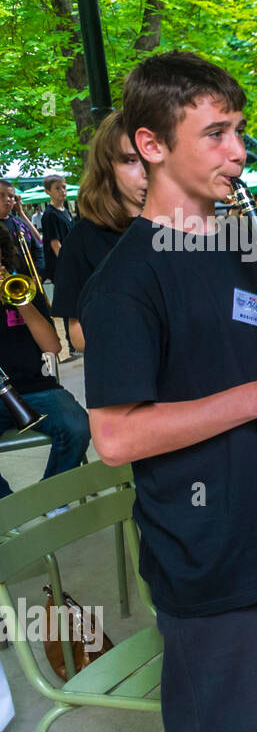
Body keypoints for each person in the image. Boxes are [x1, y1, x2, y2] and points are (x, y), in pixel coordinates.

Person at [80, 50, 257, 732]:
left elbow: (248, 357)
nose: (239, 151)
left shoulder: (240, 245)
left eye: (240, 131)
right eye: (217, 133)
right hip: (208, 556)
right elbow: (116, 437)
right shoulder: (126, 283)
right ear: (151, 145)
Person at [0, 227, 90, 499]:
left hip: (37, 387)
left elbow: (52, 346)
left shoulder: (24, 286)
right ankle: (9, 507)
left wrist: (21, 302)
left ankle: (49, 499)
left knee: (77, 426)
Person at [52, 110, 147, 354]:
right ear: (107, 168)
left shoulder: (185, 227)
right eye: (130, 160)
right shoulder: (82, 241)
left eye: (151, 157)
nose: (146, 171)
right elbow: (78, 336)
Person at [40, 175, 73, 286]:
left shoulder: (66, 211)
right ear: (48, 191)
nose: (62, 191)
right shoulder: (50, 214)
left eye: (64, 187)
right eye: (57, 188)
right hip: (60, 265)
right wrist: (68, 264)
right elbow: (55, 243)